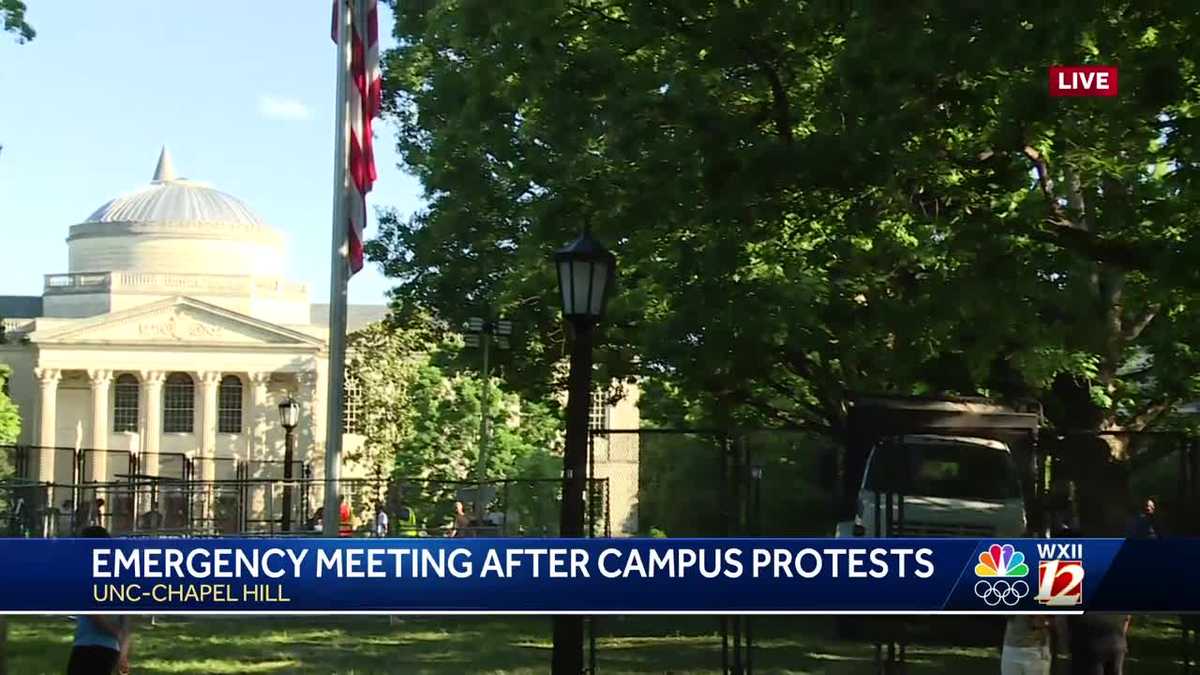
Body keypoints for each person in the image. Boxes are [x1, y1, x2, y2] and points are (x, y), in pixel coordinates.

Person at [67, 526, 132, 675]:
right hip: (111, 651)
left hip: (87, 650)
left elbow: (94, 614)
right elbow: (126, 623)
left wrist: (116, 633)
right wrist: (123, 654)